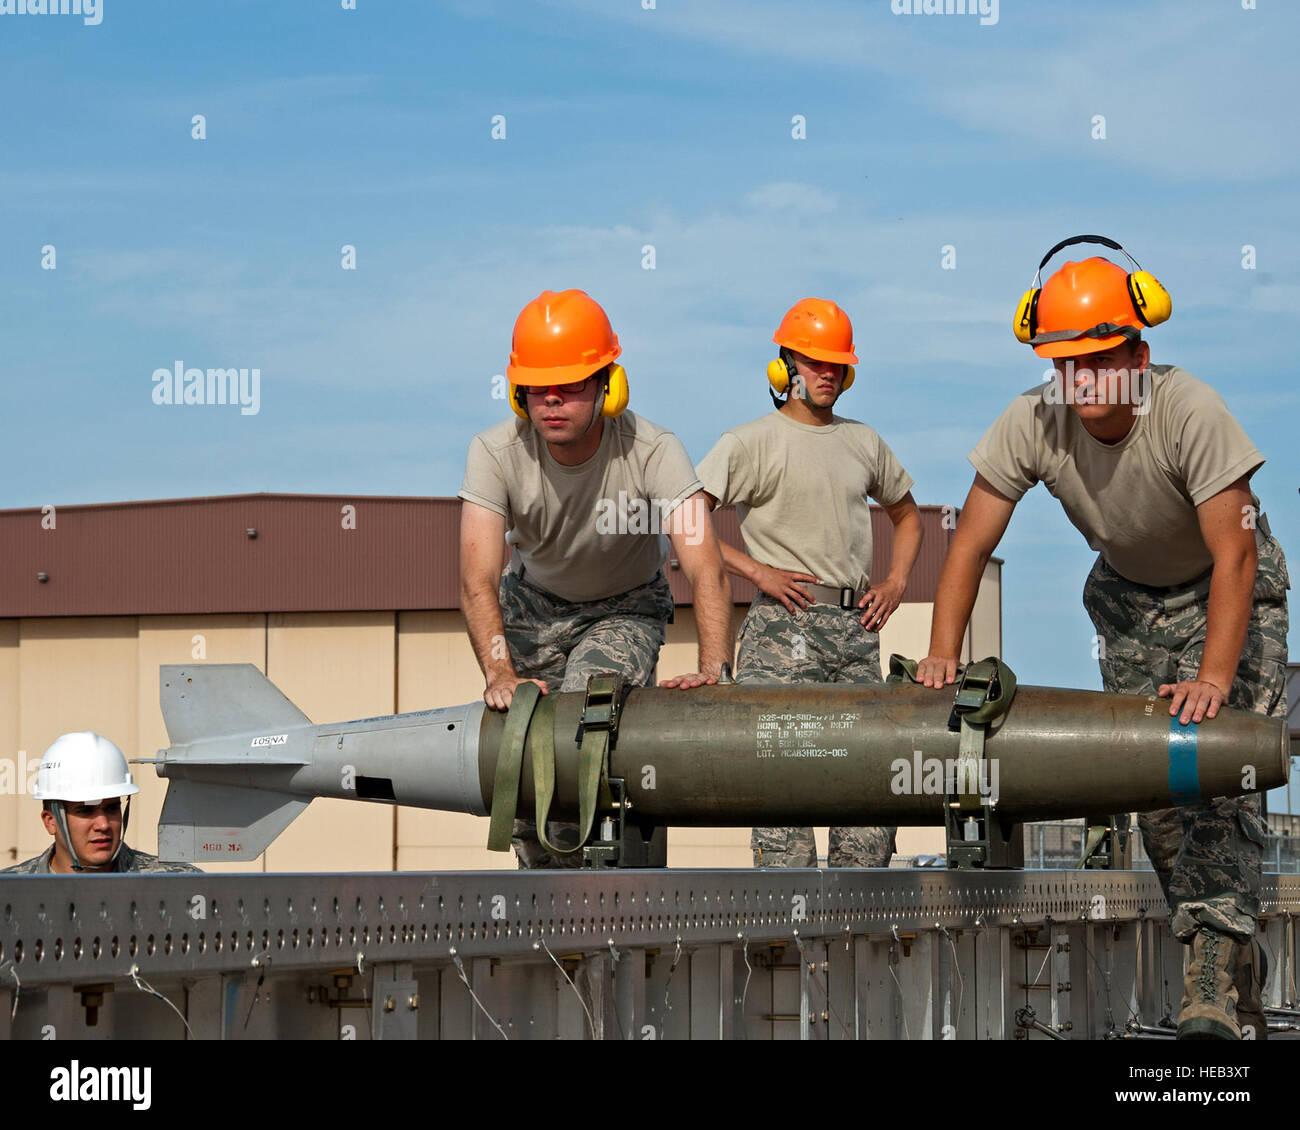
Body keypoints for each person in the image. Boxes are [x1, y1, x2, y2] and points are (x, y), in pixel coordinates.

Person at [917, 236, 1288, 1040]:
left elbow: (1236, 552)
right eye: (1065, 364)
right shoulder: (1032, 422)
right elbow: (970, 543)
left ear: (1139, 352)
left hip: (1229, 592)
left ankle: (1211, 977)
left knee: (1214, 767)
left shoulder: (1190, 410)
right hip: (1130, 599)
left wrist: (1215, 679)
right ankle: (1227, 954)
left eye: (1099, 359)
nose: (1082, 381)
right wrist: (943, 650)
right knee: (1149, 789)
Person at [459, 288, 734, 869]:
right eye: (537, 386)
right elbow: (476, 578)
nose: (552, 398)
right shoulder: (494, 452)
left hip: (625, 606)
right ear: (517, 391)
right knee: (532, 778)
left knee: (582, 713)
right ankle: (548, 925)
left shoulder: (654, 450)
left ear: (609, 385)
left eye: (572, 383)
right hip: (532, 608)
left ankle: (611, 886)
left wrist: (716, 668)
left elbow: (704, 564)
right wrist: (500, 671)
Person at [697, 297, 923, 868]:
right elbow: (684, 521)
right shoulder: (748, 442)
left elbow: (909, 516)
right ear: (786, 366)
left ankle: (857, 941)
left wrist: (895, 582)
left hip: (855, 632)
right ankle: (789, 947)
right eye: (812, 361)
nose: (825, 373)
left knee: (869, 803)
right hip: (782, 628)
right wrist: (755, 571)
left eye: (836, 364)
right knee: (782, 801)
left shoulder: (863, 441)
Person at [3, 732, 201, 874]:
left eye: (112, 807)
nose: (104, 824)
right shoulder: (11, 893)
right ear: (50, 821)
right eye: (85, 810)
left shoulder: (178, 885)